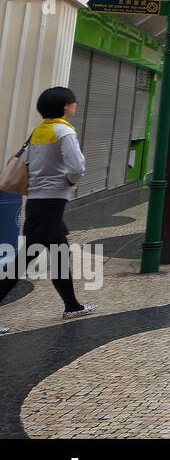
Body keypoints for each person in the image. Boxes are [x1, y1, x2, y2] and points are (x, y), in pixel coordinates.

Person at [0, 87, 97, 333]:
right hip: (52, 200)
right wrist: (70, 182)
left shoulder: (40, 130)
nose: (75, 105)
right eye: (73, 102)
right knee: (26, 258)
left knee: (60, 252)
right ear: (65, 106)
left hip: (37, 198)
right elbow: (77, 166)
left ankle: (72, 305)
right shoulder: (64, 131)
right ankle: (72, 305)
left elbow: (33, 164)